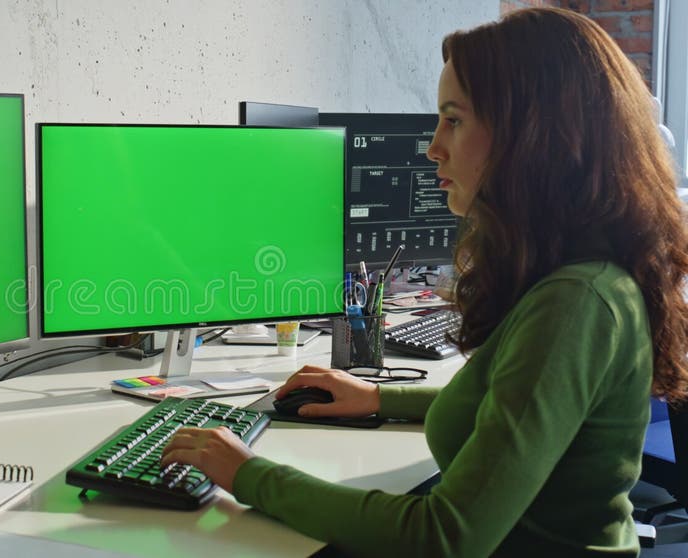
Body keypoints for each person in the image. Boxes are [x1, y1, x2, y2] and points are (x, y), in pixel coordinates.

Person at [161, 7, 688, 557]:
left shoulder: (575, 302)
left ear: (532, 137)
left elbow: (443, 536)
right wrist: (379, 397)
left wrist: (248, 474)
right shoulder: (579, 274)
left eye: (454, 120)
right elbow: (516, 403)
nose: (433, 147)